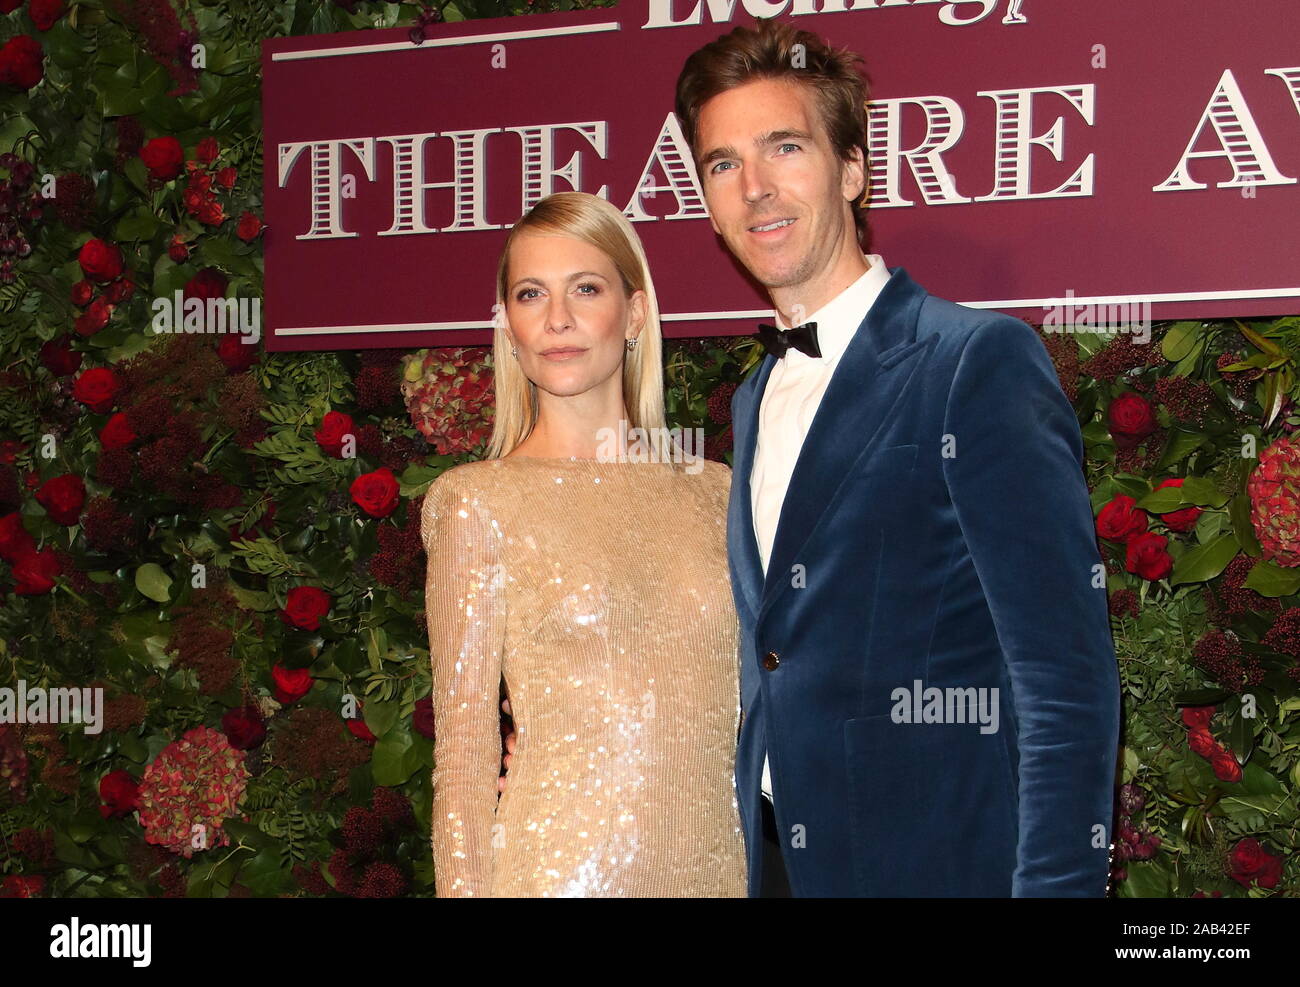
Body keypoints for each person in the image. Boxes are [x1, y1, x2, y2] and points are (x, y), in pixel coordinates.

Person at [671, 17, 1122, 896]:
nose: (755, 188)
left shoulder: (975, 361)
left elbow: (1064, 679)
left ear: (852, 169)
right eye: (723, 164)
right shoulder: (753, 397)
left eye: (785, 147)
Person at [420, 190, 746, 896]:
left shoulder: (717, 493)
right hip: (551, 875)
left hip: (719, 874)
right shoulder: (477, 502)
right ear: (508, 324)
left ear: (635, 313)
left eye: (586, 288)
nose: (558, 318)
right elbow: (465, 755)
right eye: (531, 294)